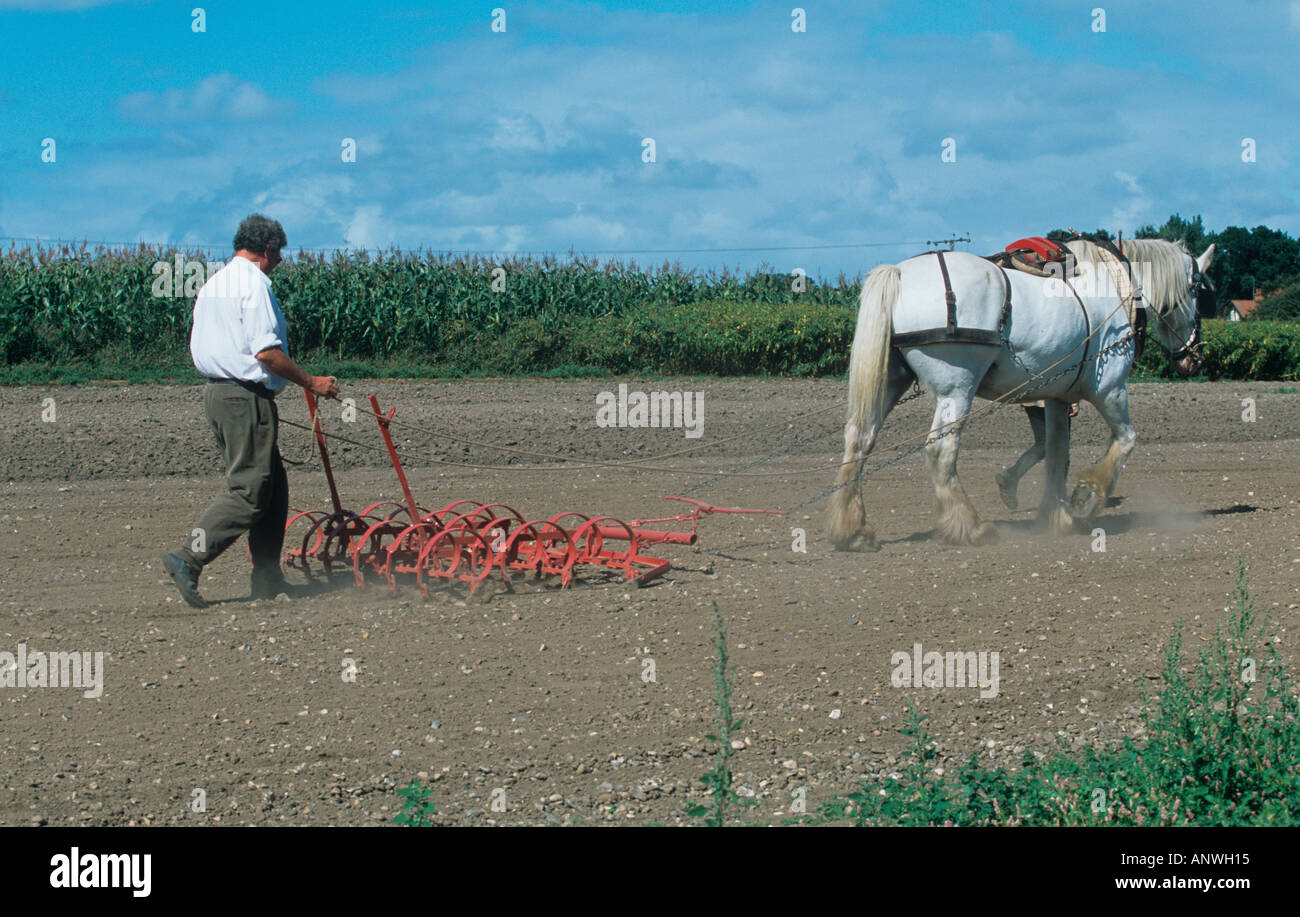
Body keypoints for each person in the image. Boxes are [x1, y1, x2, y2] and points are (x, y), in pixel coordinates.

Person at [162, 214, 339, 607]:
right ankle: (188, 558)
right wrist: (312, 382)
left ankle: (268, 579)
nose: (279, 263)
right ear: (267, 250)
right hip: (244, 398)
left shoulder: (215, 282)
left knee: (273, 490)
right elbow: (267, 353)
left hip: (219, 395)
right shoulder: (254, 285)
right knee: (250, 492)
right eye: (279, 255)